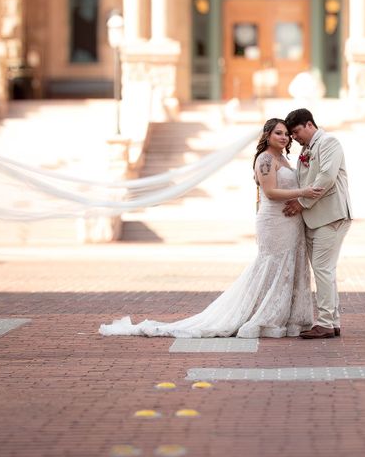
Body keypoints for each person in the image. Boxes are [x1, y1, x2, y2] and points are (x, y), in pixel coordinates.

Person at [98, 119, 323, 339]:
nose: (284, 137)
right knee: (272, 268)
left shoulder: (283, 159)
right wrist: (303, 193)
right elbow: (270, 192)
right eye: (278, 133)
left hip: (291, 223)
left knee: (289, 268)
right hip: (274, 222)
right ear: (267, 136)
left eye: (286, 134)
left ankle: (287, 319)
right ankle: (263, 317)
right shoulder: (265, 159)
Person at [283, 108, 352, 340]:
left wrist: (302, 202)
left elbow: (327, 177)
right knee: (325, 271)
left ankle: (324, 323)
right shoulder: (306, 149)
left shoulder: (329, 142)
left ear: (309, 124)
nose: (294, 137)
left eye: (296, 132)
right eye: (291, 134)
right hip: (317, 219)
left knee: (323, 270)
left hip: (331, 216)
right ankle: (332, 322)